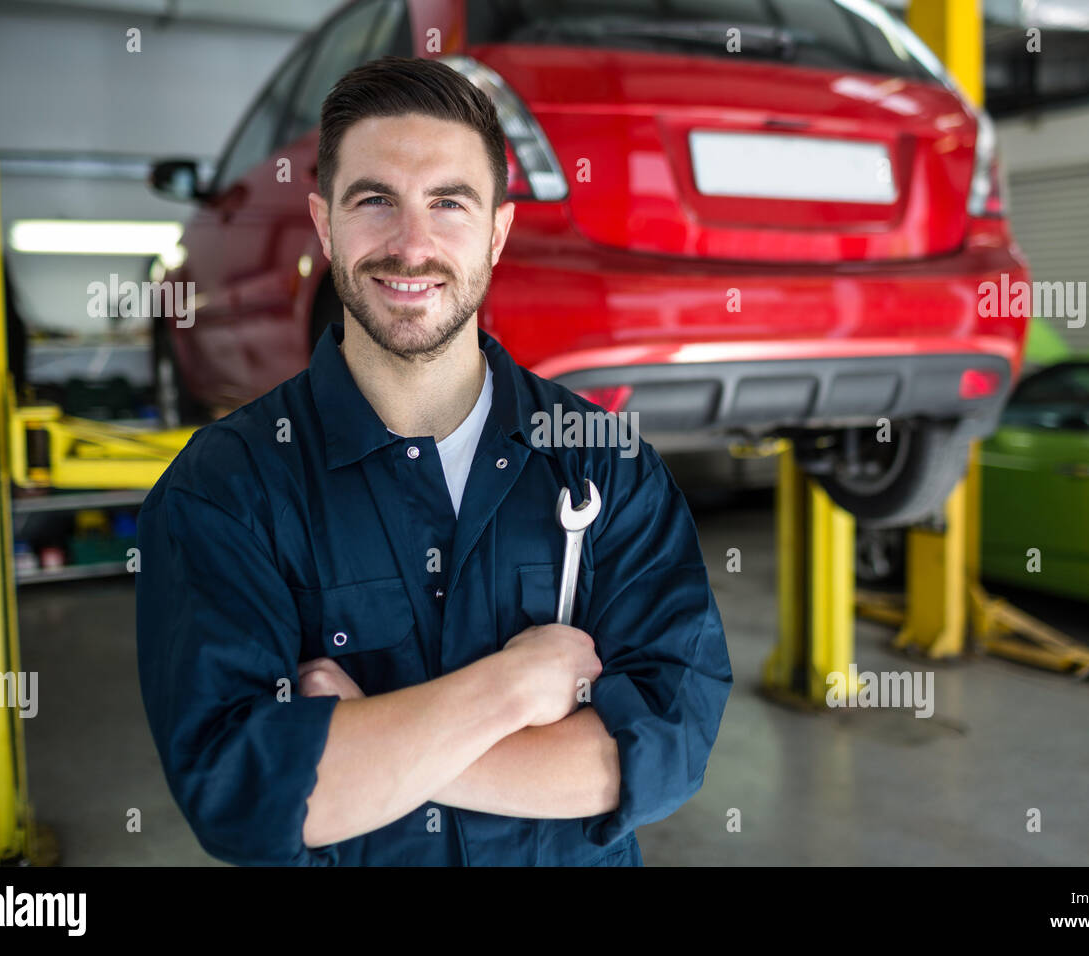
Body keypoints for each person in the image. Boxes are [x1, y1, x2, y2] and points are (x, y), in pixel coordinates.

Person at [135, 56, 732, 866]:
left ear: (496, 232)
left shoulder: (607, 464)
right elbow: (247, 793)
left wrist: (376, 740)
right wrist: (511, 689)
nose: (411, 246)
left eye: (448, 203)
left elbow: (661, 750)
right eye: (374, 200)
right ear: (324, 224)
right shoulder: (226, 491)